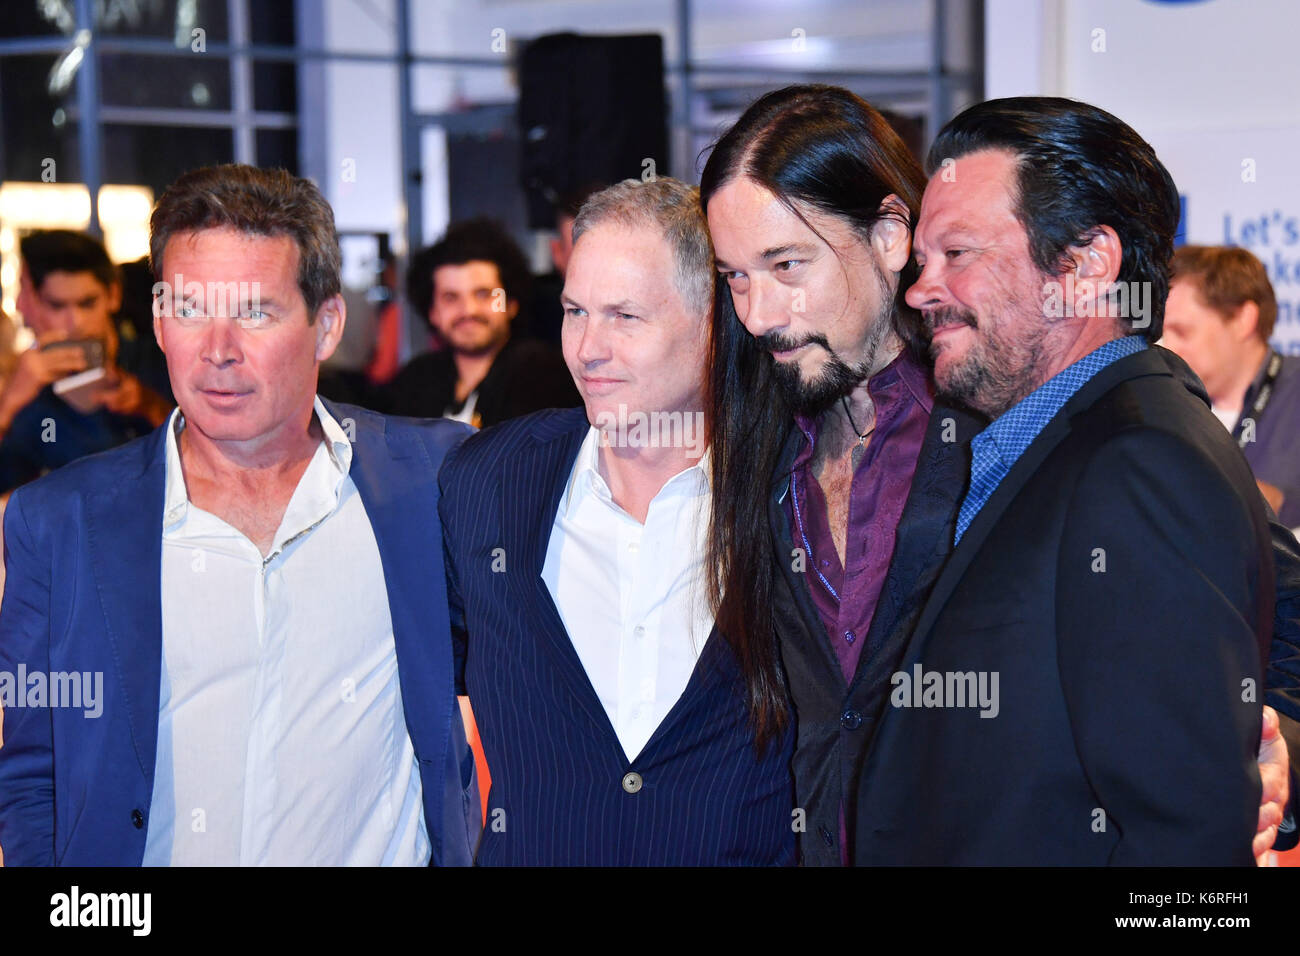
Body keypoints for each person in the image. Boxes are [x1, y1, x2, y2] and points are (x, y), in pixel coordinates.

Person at [701, 85, 1298, 865]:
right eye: (735, 276)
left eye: (787, 264)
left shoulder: (1030, 413)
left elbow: (1254, 611)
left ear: (886, 234)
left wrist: (1262, 757)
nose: (757, 311)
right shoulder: (756, 430)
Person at [0, 164, 478, 866]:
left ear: (326, 325)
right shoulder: (60, 522)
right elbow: (32, 775)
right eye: (191, 310)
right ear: (160, 322)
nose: (218, 351)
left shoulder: (430, 481)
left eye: (254, 311)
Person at [438, 177, 795, 865]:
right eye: (576, 312)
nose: (589, 349)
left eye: (625, 317)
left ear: (713, 325)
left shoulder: (792, 490)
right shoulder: (488, 483)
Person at [0, 231, 172, 491]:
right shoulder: (27, 390)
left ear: (113, 295)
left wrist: (149, 406)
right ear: (33, 303)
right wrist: (8, 407)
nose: (76, 323)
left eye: (87, 303)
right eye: (57, 306)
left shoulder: (160, 361)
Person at [387, 217, 579, 428]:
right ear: (433, 312)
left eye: (483, 294)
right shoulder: (415, 380)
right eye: (451, 298)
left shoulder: (546, 376)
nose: (469, 310)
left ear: (511, 303)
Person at [1163, 245, 1300, 529]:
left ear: (1242, 320)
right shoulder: (1160, 401)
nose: (1165, 348)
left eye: (1181, 332)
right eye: (1160, 334)